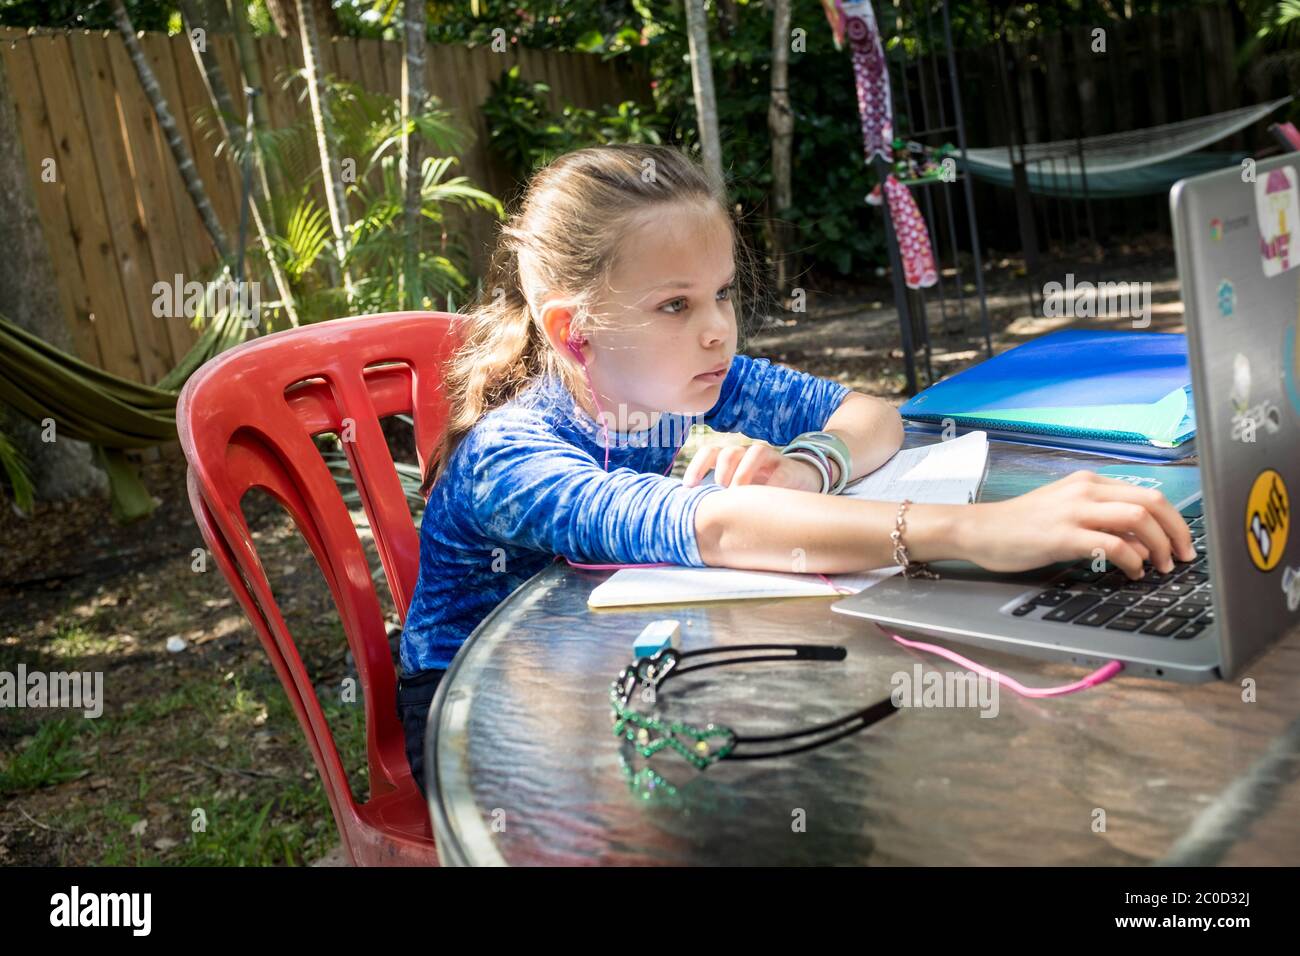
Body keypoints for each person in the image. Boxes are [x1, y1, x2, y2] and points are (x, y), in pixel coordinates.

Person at [398, 143, 1194, 793]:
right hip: (484, 725)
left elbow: (874, 414)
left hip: (612, 660)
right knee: (759, 793)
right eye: (676, 305)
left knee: (824, 757)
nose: (718, 331)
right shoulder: (511, 455)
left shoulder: (679, 377)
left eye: (722, 295)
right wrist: (978, 530)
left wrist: (811, 467)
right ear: (575, 334)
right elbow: (711, 524)